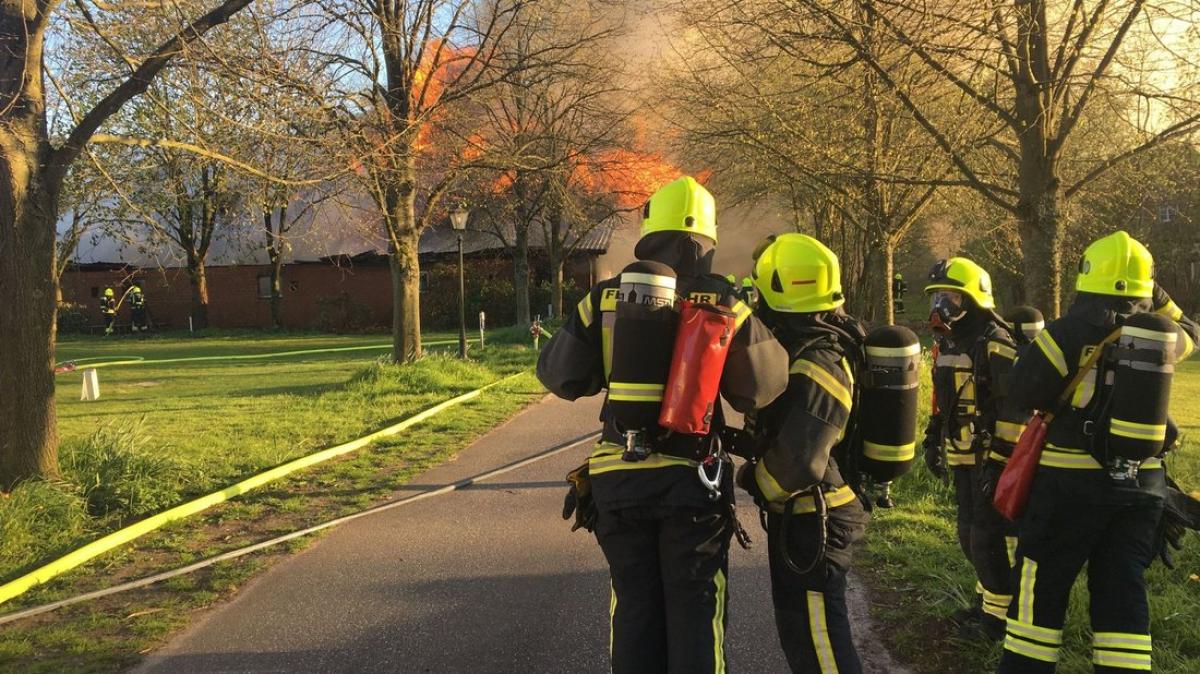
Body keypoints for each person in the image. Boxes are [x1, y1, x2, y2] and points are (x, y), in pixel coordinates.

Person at [537, 176, 788, 673]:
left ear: (650, 231)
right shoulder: (725, 303)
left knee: (634, 609)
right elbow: (762, 387)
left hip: (616, 482)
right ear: (708, 241)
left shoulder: (607, 298)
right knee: (697, 610)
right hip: (692, 483)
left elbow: (559, 376)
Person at [998, 231, 1198, 673]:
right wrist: (1160, 299)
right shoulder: (1164, 337)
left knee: (1040, 585)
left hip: (1067, 487)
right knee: (1123, 591)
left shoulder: (1067, 333)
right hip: (1141, 488)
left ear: (1087, 275)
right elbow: (1194, 332)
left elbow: (1022, 390)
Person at [736, 233, 872, 673]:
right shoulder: (805, 347)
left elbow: (801, 461)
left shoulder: (821, 360)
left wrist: (755, 483)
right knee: (800, 633)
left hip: (817, 516)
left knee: (821, 642)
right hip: (804, 516)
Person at [921, 257, 1027, 640]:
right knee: (969, 534)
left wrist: (998, 464)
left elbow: (1014, 410)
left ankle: (998, 622)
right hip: (962, 456)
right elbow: (943, 401)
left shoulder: (995, 343)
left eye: (949, 296)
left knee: (987, 537)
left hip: (990, 460)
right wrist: (933, 438)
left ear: (974, 298)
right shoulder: (949, 343)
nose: (940, 307)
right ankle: (986, 604)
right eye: (936, 297)